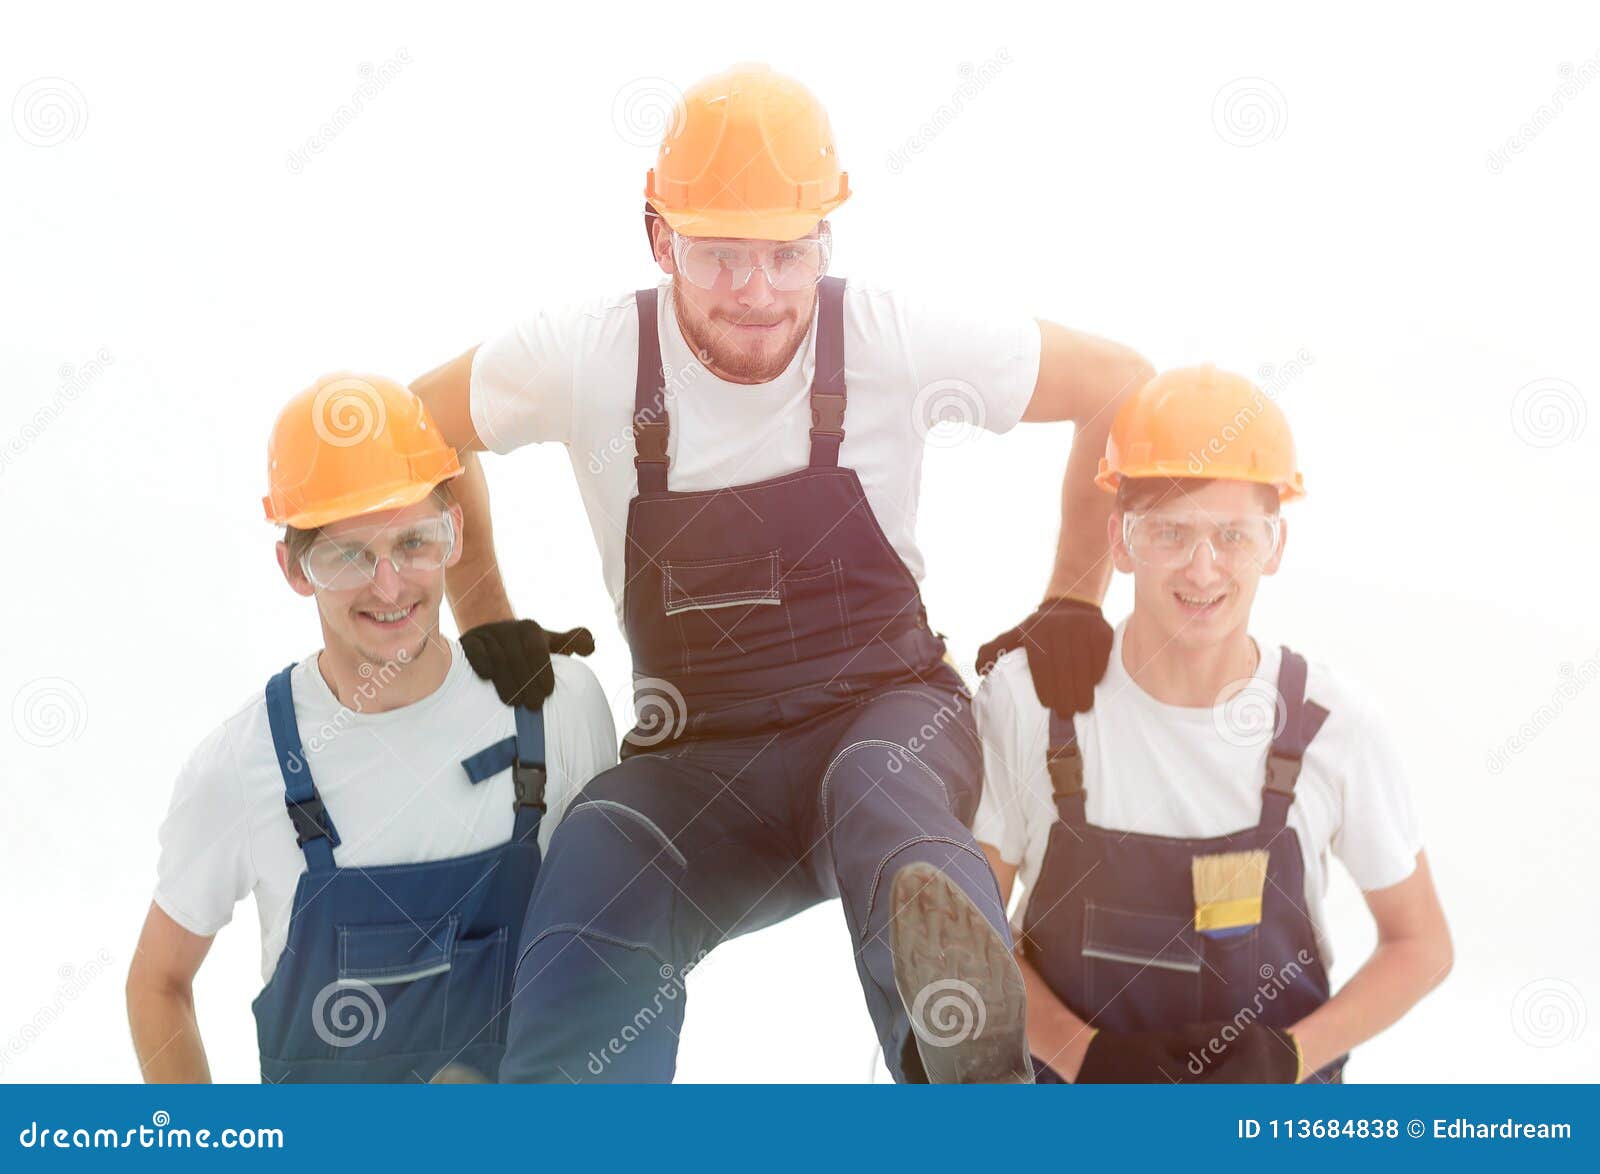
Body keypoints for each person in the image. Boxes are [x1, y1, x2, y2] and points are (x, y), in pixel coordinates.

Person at [412, 64, 1153, 1083]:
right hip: (698, 759)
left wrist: (1074, 600)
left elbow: (1120, 385)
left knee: (880, 800)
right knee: (600, 848)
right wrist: (484, 611)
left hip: (890, 714)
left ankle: (971, 1076)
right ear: (658, 236)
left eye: (787, 253)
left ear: (825, 241)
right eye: (719, 256)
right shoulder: (586, 356)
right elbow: (410, 434)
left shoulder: (891, 337)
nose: (756, 291)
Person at [125, 373, 616, 1083]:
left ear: (453, 537)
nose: (389, 586)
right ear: (295, 568)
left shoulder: (556, 709)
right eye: (349, 555)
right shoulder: (245, 764)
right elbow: (156, 984)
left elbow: (612, 948)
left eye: (414, 542)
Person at [973, 365, 1453, 1082]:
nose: (1202, 570)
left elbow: (1421, 946)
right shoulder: (1031, 705)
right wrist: (1087, 1058)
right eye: (1169, 532)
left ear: (1275, 545)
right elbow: (968, 941)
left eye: (1232, 535)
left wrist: (1292, 1056)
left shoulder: (1330, 725)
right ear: (1122, 540)